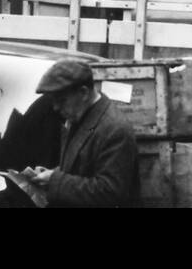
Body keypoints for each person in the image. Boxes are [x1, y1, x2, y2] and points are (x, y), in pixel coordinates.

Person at [20, 59, 140, 207]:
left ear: (83, 93)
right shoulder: (78, 116)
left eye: (62, 100)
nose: (56, 108)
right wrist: (50, 174)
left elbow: (110, 192)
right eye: (54, 101)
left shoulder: (115, 129)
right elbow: (81, 167)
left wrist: (55, 180)